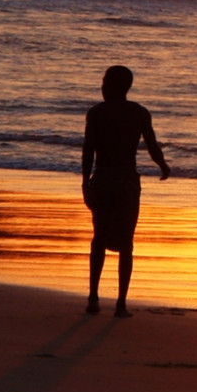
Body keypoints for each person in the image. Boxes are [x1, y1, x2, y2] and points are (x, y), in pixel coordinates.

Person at [81, 65, 169, 317]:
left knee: (99, 238)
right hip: (127, 182)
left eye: (105, 81)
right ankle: (120, 304)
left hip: (103, 179)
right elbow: (152, 145)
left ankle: (93, 298)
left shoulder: (96, 113)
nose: (102, 86)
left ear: (113, 86)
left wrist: (85, 183)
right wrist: (163, 165)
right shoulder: (139, 113)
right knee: (126, 243)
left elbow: (88, 150)